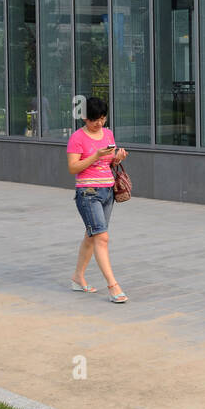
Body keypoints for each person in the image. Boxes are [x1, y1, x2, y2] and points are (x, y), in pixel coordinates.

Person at [66, 97, 129, 303]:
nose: (99, 123)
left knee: (92, 236)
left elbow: (109, 162)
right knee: (101, 237)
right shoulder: (77, 138)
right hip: (88, 192)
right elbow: (73, 168)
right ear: (85, 117)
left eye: (102, 118)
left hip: (108, 191)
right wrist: (95, 155)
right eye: (95, 120)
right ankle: (113, 286)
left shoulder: (108, 133)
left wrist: (117, 157)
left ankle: (78, 278)